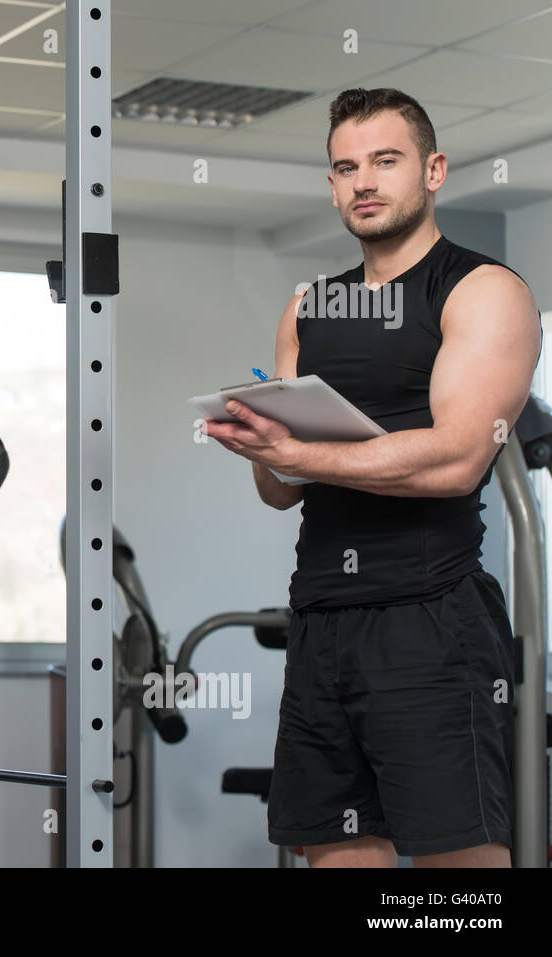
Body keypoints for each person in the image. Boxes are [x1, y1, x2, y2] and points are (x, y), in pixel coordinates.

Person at [204, 88, 542, 867]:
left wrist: (299, 455)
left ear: (433, 170)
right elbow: (281, 492)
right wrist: (260, 444)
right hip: (321, 617)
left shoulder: (481, 291)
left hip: (431, 620)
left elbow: (457, 461)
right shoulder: (307, 309)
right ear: (330, 184)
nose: (364, 181)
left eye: (385, 161)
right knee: (336, 853)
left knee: (461, 879)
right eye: (345, 166)